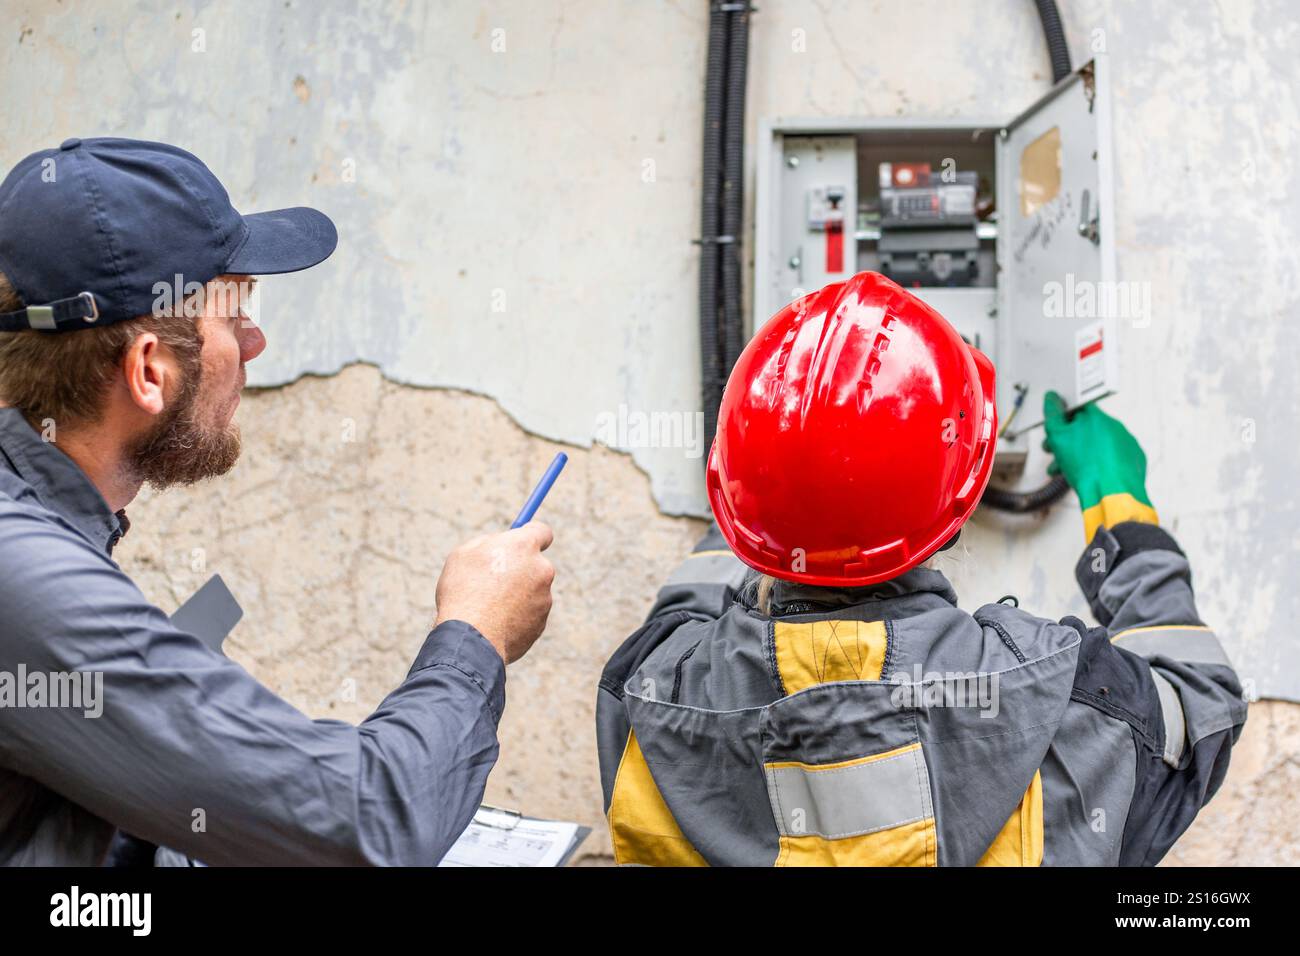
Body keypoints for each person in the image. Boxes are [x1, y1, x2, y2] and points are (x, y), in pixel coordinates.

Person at [0, 137, 555, 865]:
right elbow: (369, 822)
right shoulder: (26, 575)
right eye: (233, 315)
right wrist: (476, 634)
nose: (255, 342)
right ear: (148, 371)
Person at [596, 270, 1246, 866]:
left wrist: (782, 471)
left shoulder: (647, 693)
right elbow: (1201, 706)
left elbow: (687, 608)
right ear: (958, 505)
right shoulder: (1063, 701)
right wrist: (1118, 503)